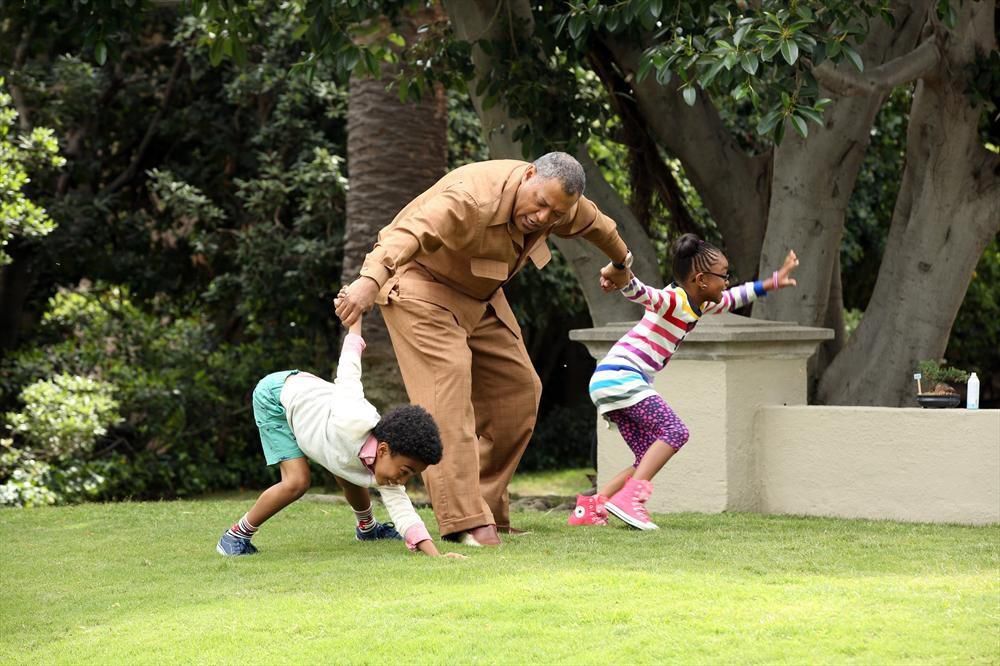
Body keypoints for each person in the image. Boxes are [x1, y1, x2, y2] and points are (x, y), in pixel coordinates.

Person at [335, 152, 634, 546]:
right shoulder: (470, 198)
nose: (544, 218)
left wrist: (621, 264)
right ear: (529, 175)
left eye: (556, 214)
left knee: (520, 390)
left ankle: (485, 508)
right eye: (541, 204)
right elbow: (406, 234)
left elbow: (601, 226)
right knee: (448, 391)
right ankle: (463, 522)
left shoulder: (563, 207)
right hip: (419, 285)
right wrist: (369, 281)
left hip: (479, 294)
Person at [568, 233, 800, 530]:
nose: (726, 282)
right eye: (723, 276)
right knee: (675, 431)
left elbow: (734, 298)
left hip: (610, 382)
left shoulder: (701, 303)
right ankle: (630, 501)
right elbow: (643, 293)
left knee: (647, 456)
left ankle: (592, 506)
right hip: (620, 375)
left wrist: (774, 281)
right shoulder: (673, 300)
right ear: (701, 279)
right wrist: (622, 277)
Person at [216, 311, 465, 558]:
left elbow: (404, 513)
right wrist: (355, 322)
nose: (402, 481)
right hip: (278, 397)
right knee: (297, 481)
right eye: (405, 472)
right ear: (383, 449)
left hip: (317, 413)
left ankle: (367, 529)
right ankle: (235, 536)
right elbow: (349, 368)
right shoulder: (353, 415)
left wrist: (437, 556)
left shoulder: (387, 470)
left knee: (350, 471)